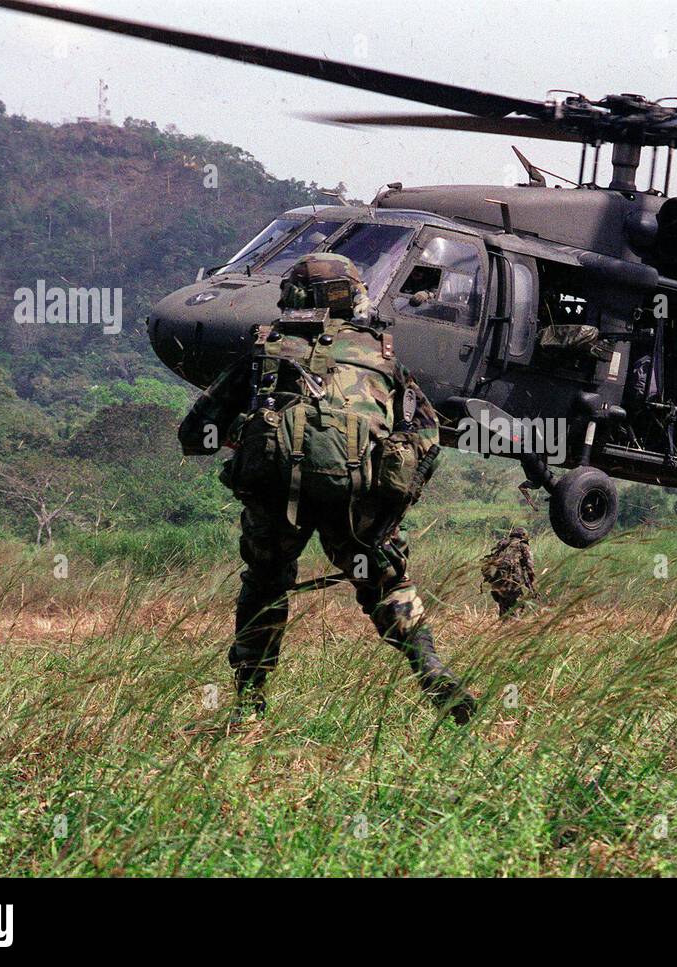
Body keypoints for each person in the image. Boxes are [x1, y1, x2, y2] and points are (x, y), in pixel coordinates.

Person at [178, 253, 476, 725]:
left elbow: (193, 435)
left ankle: (249, 705)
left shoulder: (264, 352)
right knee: (387, 583)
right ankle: (431, 669)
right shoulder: (382, 356)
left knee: (265, 586)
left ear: (292, 296)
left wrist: (249, 432)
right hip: (358, 496)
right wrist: (393, 503)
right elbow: (427, 437)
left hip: (279, 496)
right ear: (353, 296)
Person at [481, 526, 535, 617]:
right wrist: (532, 584)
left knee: (504, 608)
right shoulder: (522, 545)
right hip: (512, 582)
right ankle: (514, 628)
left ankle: (504, 628)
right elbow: (529, 566)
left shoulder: (502, 544)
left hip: (497, 581)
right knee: (517, 607)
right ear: (523, 535)